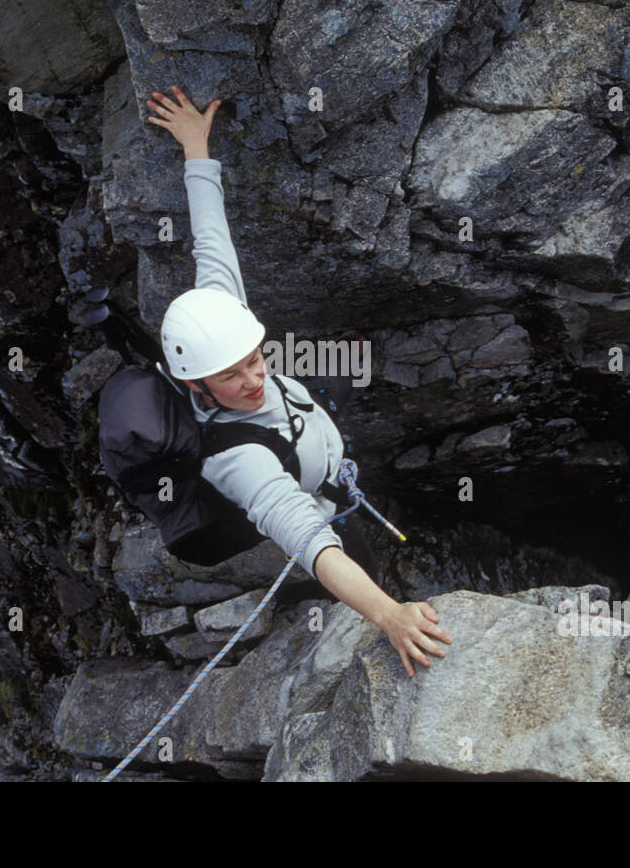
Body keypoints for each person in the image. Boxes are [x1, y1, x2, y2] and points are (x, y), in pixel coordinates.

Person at [144, 85, 452, 678]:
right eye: (232, 376)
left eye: (257, 357)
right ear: (196, 389)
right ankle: (367, 597)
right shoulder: (234, 460)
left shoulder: (222, 321)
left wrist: (196, 147)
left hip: (306, 416)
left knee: (347, 363)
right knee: (344, 545)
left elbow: (213, 237)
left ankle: (349, 392)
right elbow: (307, 539)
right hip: (322, 494)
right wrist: (389, 615)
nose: (254, 376)